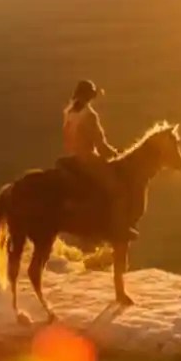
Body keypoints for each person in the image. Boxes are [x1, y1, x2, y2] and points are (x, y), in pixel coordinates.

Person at [61, 80, 137, 241]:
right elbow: (100, 145)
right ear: (90, 97)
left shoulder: (69, 113)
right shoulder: (90, 116)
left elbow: (67, 138)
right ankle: (119, 228)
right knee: (119, 190)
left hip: (72, 157)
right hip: (88, 158)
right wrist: (117, 154)